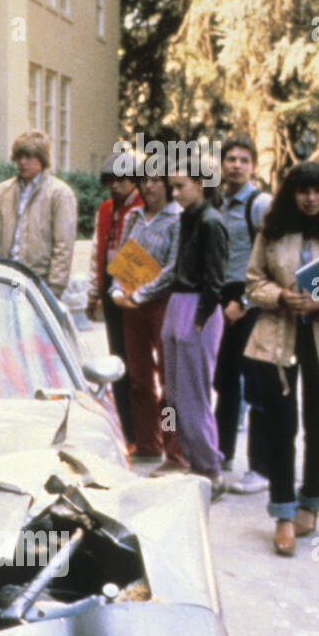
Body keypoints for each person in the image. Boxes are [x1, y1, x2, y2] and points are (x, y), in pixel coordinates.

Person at [243, 161, 319, 555]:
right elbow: (253, 282)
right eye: (303, 191)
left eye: (318, 191)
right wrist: (280, 296)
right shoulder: (273, 229)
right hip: (276, 339)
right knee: (280, 425)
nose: (311, 199)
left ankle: (310, 504)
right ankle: (283, 514)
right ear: (291, 194)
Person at [107, 171, 188, 469]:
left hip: (161, 304)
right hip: (131, 304)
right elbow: (124, 258)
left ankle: (174, 449)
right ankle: (147, 443)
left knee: (169, 381)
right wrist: (117, 291)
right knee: (139, 379)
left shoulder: (178, 218)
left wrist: (140, 294)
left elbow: (172, 268)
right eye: (144, 181)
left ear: (167, 185)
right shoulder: (135, 217)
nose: (149, 186)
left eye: (156, 180)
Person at [163, 162, 228, 497]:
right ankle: (190, 459)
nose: (175, 194)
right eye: (172, 187)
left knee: (194, 397)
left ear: (200, 184)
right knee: (173, 395)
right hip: (178, 302)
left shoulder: (211, 221)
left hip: (197, 306)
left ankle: (210, 467)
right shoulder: (187, 218)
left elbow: (216, 278)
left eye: (181, 186)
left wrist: (200, 318)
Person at [214, 135, 273, 495]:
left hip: (252, 300)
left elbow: (275, 260)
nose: (236, 165)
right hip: (223, 298)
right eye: (230, 159)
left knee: (256, 384)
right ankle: (221, 456)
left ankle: (261, 469)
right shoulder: (219, 203)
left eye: (243, 160)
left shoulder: (260, 203)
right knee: (224, 382)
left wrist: (246, 302)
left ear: (253, 166)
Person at [86, 154, 143, 448]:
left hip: (136, 292)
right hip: (111, 289)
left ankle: (150, 434)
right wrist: (93, 292)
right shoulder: (106, 209)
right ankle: (128, 432)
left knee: (141, 368)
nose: (115, 185)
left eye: (121, 179)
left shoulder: (143, 207)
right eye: (110, 180)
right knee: (118, 360)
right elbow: (97, 250)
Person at [0, 130, 77, 298]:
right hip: (5, 276)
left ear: (42, 159)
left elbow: (63, 245)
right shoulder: (3, 191)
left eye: (29, 157)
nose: (22, 162)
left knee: (28, 315)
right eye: (19, 157)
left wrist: (54, 288)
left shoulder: (59, 193)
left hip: (38, 280)